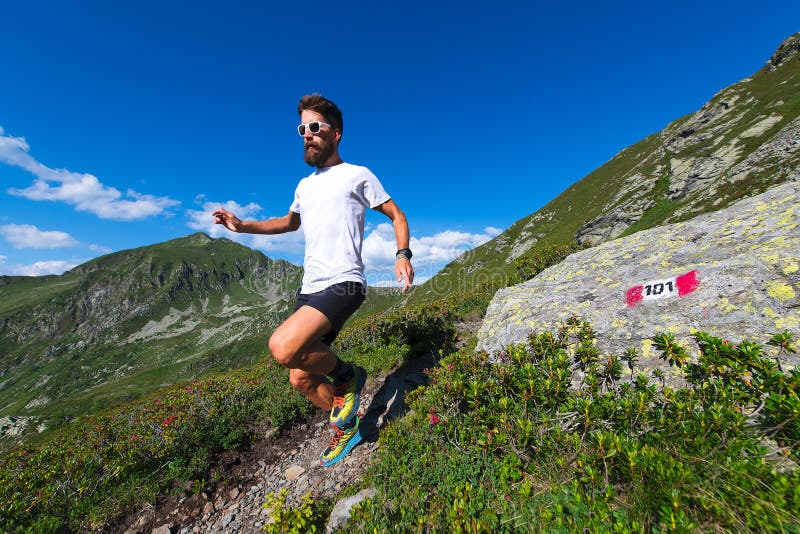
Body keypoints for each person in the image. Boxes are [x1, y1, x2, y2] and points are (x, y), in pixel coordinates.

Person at [212, 94, 414, 466]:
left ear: (335, 134)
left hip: (344, 281)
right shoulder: (304, 186)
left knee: (283, 347)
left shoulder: (358, 174)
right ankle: (348, 428)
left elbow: (397, 215)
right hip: (310, 288)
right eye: (302, 129)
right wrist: (241, 226)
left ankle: (348, 375)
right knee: (300, 379)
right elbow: (288, 223)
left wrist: (402, 255)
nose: (307, 135)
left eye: (315, 128)